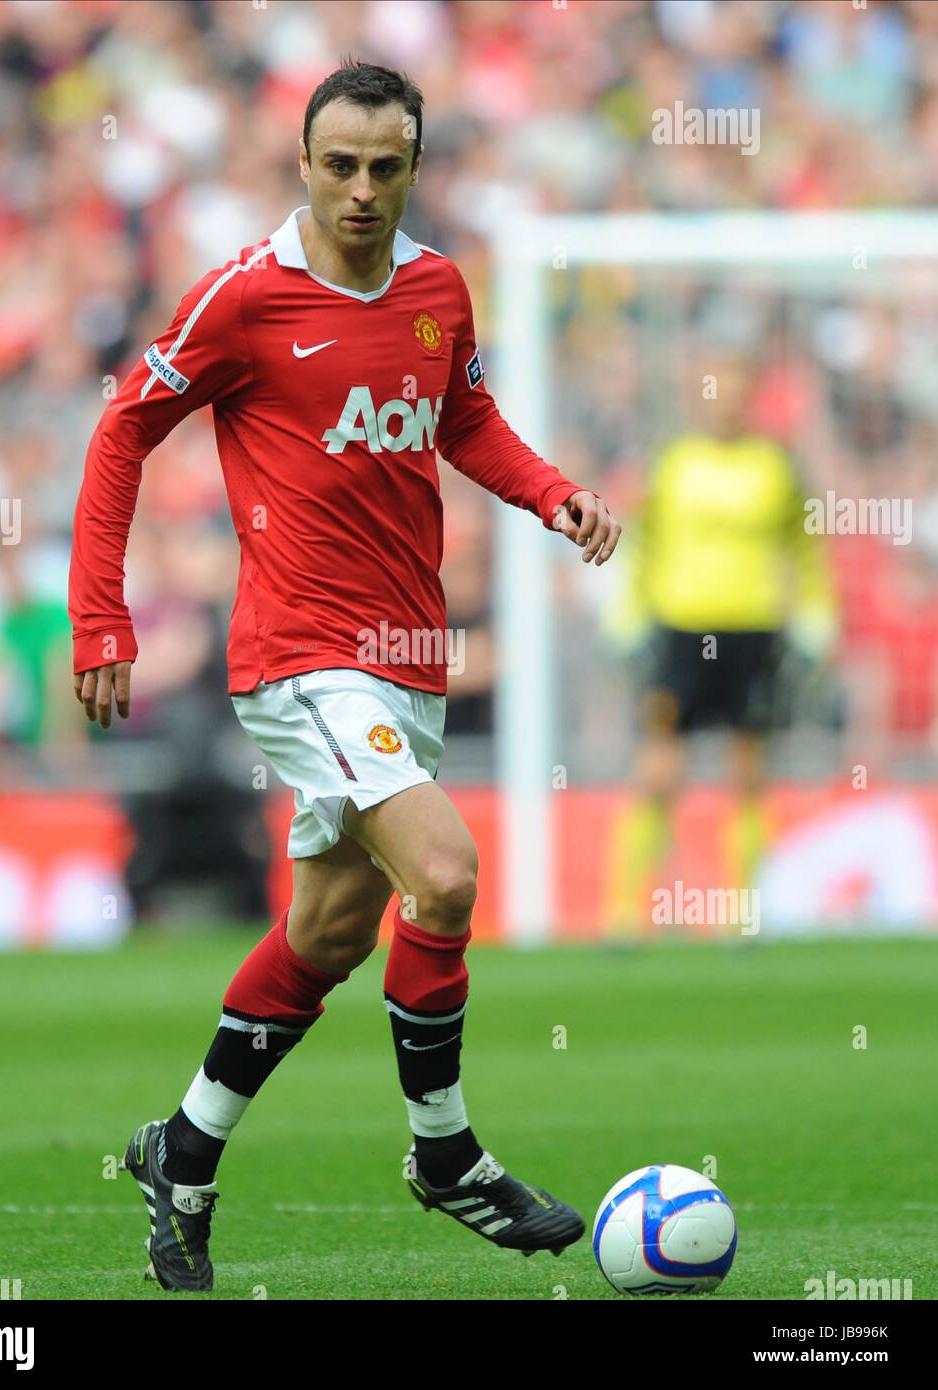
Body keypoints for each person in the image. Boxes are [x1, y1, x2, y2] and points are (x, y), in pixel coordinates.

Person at [68, 60, 620, 1292]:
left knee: (325, 930)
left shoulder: (436, 289)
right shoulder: (244, 298)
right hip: (299, 653)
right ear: (302, 163)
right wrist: (101, 616)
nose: (361, 189)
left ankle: (183, 1148)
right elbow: (122, 429)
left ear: (414, 165)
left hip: (404, 653)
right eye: (338, 164)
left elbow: (459, 416)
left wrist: (552, 494)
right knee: (445, 871)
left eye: (385, 165)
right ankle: (446, 1156)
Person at [602, 353, 836, 935]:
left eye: (738, 391)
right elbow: (643, 546)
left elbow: (806, 550)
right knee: (659, 769)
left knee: (750, 772)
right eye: (717, 391)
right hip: (682, 632)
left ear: (750, 396)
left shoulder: (776, 467)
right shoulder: (672, 464)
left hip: (754, 633)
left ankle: (743, 914)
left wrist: (816, 617)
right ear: (699, 396)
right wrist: (628, 618)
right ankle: (625, 913)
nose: (727, 401)